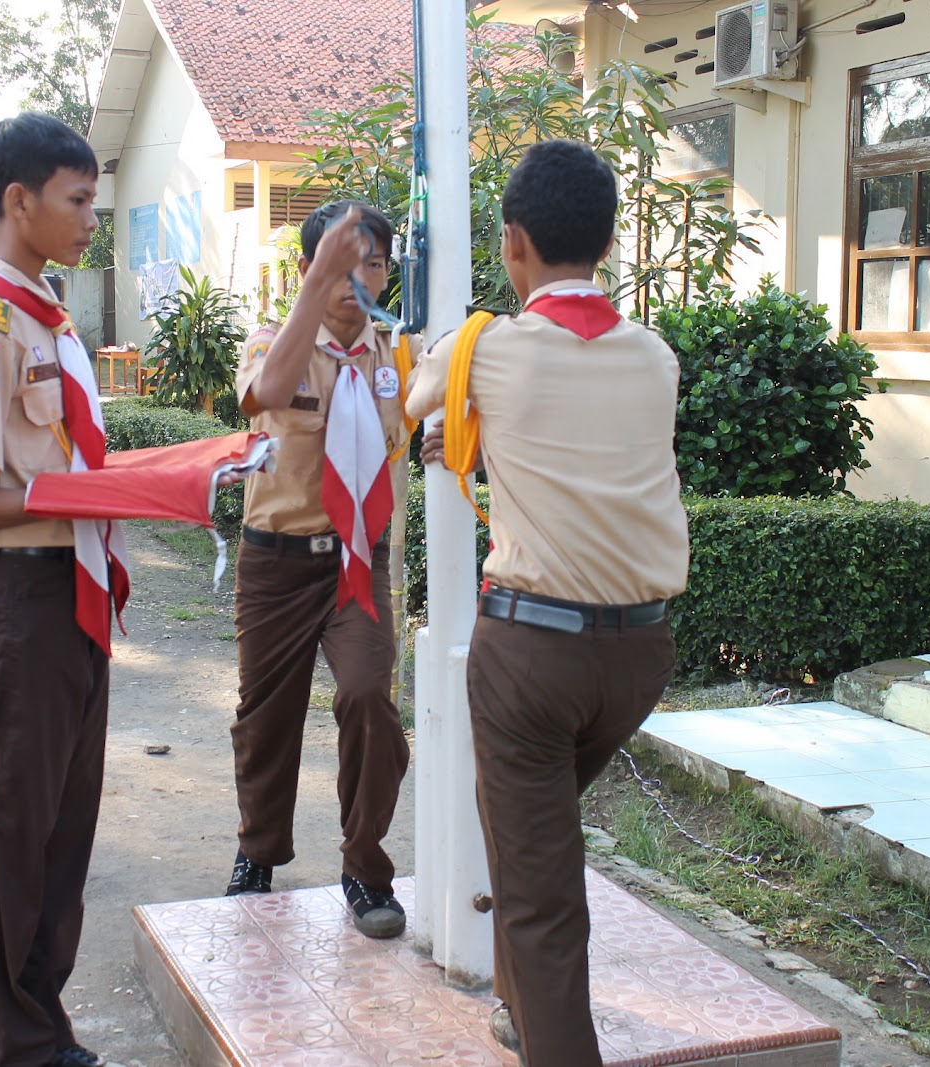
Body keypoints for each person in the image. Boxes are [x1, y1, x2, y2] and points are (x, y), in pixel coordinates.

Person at [406, 139, 690, 1067]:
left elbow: (419, 400)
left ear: (514, 242)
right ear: (604, 244)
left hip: (532, 659)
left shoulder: (490, 348)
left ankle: (549, 1033)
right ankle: (523, 1015)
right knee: (529, 841)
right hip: (640, 659)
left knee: (541, 898)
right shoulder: (655, 358)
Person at [0, 111, 123, 1067]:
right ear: (20, 201)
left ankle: (40, 1028)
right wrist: (82, 490)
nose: (95, 217)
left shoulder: (49, 315)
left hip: (73, 597)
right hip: (23, 601)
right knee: (11, 832)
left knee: (61, 831)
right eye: (78, 199)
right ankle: (1, 1042)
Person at [224, 199, 411, 940]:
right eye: (338, 261)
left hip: (356, 562)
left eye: (371, 262)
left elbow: (431, 417)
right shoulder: (275, 340)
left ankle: (364, 866)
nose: (354, 278)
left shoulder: (399, 352)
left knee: (370, 699)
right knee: (265, 718)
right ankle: (258, 852)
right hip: (277, 560)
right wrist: (313, 289)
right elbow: (267, 393)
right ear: (307, 269)